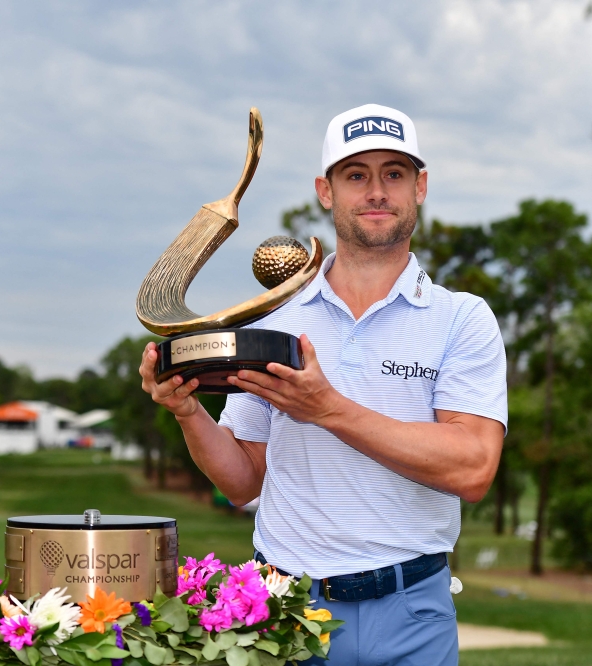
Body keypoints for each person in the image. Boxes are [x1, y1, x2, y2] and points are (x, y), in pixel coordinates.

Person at [139, 103, 507, 665]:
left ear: (420, 187)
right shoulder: (275, 322)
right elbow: (242, 479)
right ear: (325, 190)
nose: (376, 191)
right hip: (288, 614)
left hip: (413, 612)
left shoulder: (461, 318)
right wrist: (188, 412)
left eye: (394, 173)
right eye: (356, 175)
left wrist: (327, 408)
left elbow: (473, 468)